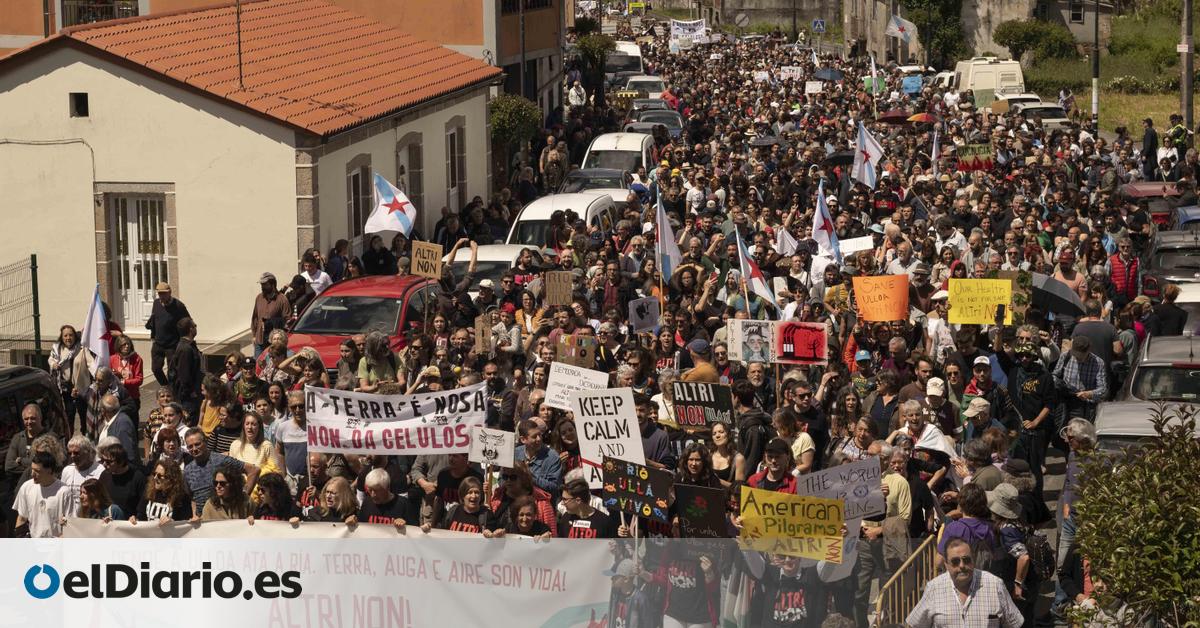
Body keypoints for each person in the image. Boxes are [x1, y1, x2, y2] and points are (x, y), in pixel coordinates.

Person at [906, 538, 1024, 628]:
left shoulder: (995, 585)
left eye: (966, 560)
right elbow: (915, 624)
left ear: (973, 559)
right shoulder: (934, 588)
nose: (962, 565)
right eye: (955, 562)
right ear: (946, 564)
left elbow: (1015, 624)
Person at [183, 428, 258, 516]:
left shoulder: (221, 460)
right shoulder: (187, 471)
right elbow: (192, 498)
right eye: (190, 446)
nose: (194, 449)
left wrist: (243, 495)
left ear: (205, 442)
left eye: (197, 444)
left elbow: (253, 470)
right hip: (202, 522)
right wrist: (194, 514)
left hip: (223, 518)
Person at [13, 451, 71, 538]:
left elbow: (69, 525)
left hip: (56, 546)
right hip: (33, 545)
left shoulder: (64, 492)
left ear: (49, 470)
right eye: (32, 469)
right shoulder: (26, 487)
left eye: (37, 471)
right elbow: (22, 518)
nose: (32, 474)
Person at [145, 282, 191, 386]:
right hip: (158, 343)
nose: (161, 296)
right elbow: (154, 319)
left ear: (169, 292)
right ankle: (166, 386)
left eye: (164, 293)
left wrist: (185, 340)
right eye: (159, 293)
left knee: (173, 372)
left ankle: (173, 391)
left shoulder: (178, 306)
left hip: (172, 345)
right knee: (156, 369)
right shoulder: (156, 303)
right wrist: (153, 336)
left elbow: (188, 322)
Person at [514, 419, 562, 497]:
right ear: (523, 439)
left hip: (541, 506)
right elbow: (502, 480)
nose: (539, 439)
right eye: (534, 437)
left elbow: (555, 487)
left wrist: (530, 476)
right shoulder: (515, 454)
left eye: (539, 434)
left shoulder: (552, 457)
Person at [61, 435, 105, 515]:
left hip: (91, 519)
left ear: (87, 452)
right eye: (70, 453)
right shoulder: (67, 470)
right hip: (70, 520)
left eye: (76, 453)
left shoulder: (100, 470)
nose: (72, 456)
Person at [170, 317, 204, 420]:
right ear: (190, 329)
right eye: (195, 326)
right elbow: (184, 374)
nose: (196, 328)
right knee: (190, 422)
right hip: (189, 399)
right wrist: (191, 392)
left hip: (193, 394)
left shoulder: (189, 346)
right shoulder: (185, 349)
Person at [109, 335, 144, 413]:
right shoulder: (112, 359)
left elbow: (139, 380)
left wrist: (125, 382)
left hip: (132, 397)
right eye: (124, 344)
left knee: (133, 422)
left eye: (128, 344)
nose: (127, 346)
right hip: (117, 397)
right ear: (118, 346)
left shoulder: (137, 359)